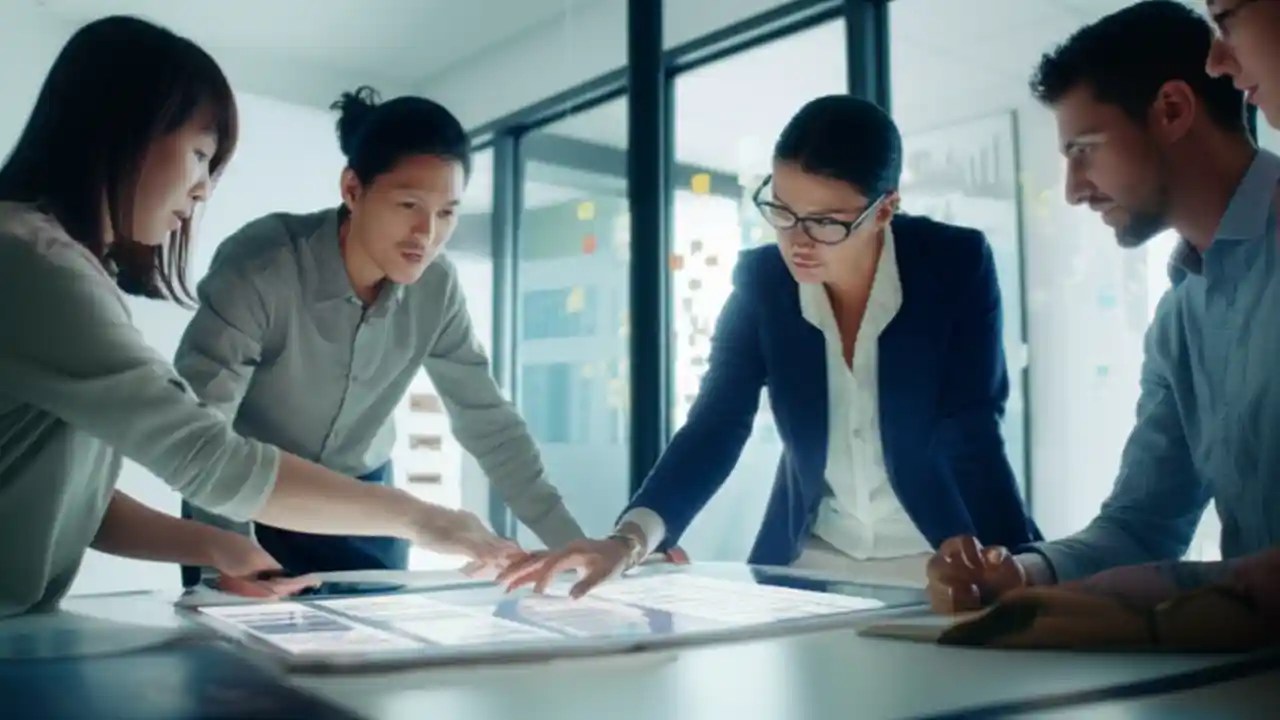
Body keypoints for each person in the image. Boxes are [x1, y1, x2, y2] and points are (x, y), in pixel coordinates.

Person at [0, 16, 521, 618]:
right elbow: (213, 458)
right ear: (123, 131)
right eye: (199, 154)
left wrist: (216, 545)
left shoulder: (49, 263)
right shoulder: (34, 265)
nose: (202, 190)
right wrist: (424, 520)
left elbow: (67, 495)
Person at [499, 95, 1040, 598]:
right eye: (781, 210)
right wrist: (631, 540)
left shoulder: (954, 263)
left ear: (884, 210)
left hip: (946, 553)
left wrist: (974, 542)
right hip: (811, 558)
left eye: (825, 222)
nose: (796, 240)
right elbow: (717, 422)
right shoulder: (763, 282)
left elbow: (967, 422)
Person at [925, 0, 1280, 621]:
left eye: (1084, 148)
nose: (1072, 189)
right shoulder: (1178, 321)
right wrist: (1020, 571)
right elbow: (1142, 525)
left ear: (1172, 111)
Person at [174, 86, 585, 578]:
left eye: (447, 213)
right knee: (238, 648)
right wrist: (229, 567)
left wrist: (573, 544)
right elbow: (203, 426)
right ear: (353, 190)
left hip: (366, 510)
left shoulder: (437, 287)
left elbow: (488, 422)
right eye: (409, 204)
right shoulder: (262, 265)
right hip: (246, 497)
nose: (426, 234)